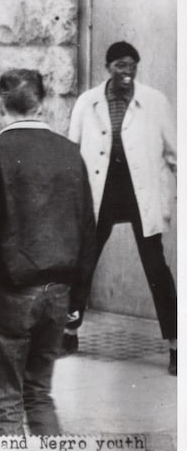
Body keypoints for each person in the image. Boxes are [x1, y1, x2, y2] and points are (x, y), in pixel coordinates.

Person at [0, 69, 96, 436]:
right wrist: (79, 296)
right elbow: (87, 229)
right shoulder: (70, 153)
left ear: (1, 102)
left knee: (7, 399)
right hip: (58, 293)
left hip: (14, 294)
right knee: (39, 394)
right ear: (42, 101)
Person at [67, 41, 177, 375]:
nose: (127, 72)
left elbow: (175, 153)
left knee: (156, 267)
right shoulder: (88, 102)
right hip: (101, 193)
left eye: (132, 65)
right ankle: (68, 332)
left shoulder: (155, 102)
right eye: (120, 66)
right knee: (83, 263)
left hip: (140, 193)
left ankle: (177, 345)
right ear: (108, 68)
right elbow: (73, 153)